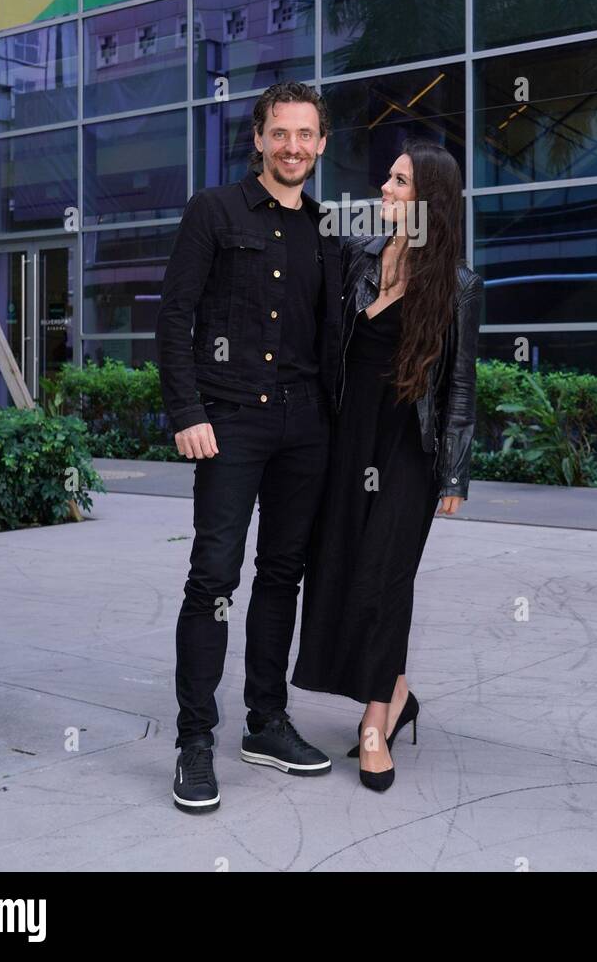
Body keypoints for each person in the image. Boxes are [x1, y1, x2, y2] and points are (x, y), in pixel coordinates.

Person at [155, 81, 343, 813]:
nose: (292, 146)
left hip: (306, 428)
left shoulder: (325, 230)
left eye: (305, 135)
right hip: (228, 422)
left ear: (320, 145)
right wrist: (186, 410)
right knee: (213, 577)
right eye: (279, 133)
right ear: (258, 139)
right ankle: (194, 741)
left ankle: (265, 722)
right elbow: (175, 316)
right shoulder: (214, 211)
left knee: (282, 574)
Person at [292, 138, 483, 791]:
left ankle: (375, 724)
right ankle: (398, 693)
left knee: (383, 580)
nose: (386, 191)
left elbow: (460, 387)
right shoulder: (359, 255)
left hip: (409, 451)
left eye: (399, 182)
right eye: (388, 180)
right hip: (351, 444)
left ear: (428, 198)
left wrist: (454, 474)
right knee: (343, 572)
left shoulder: (456, 285)